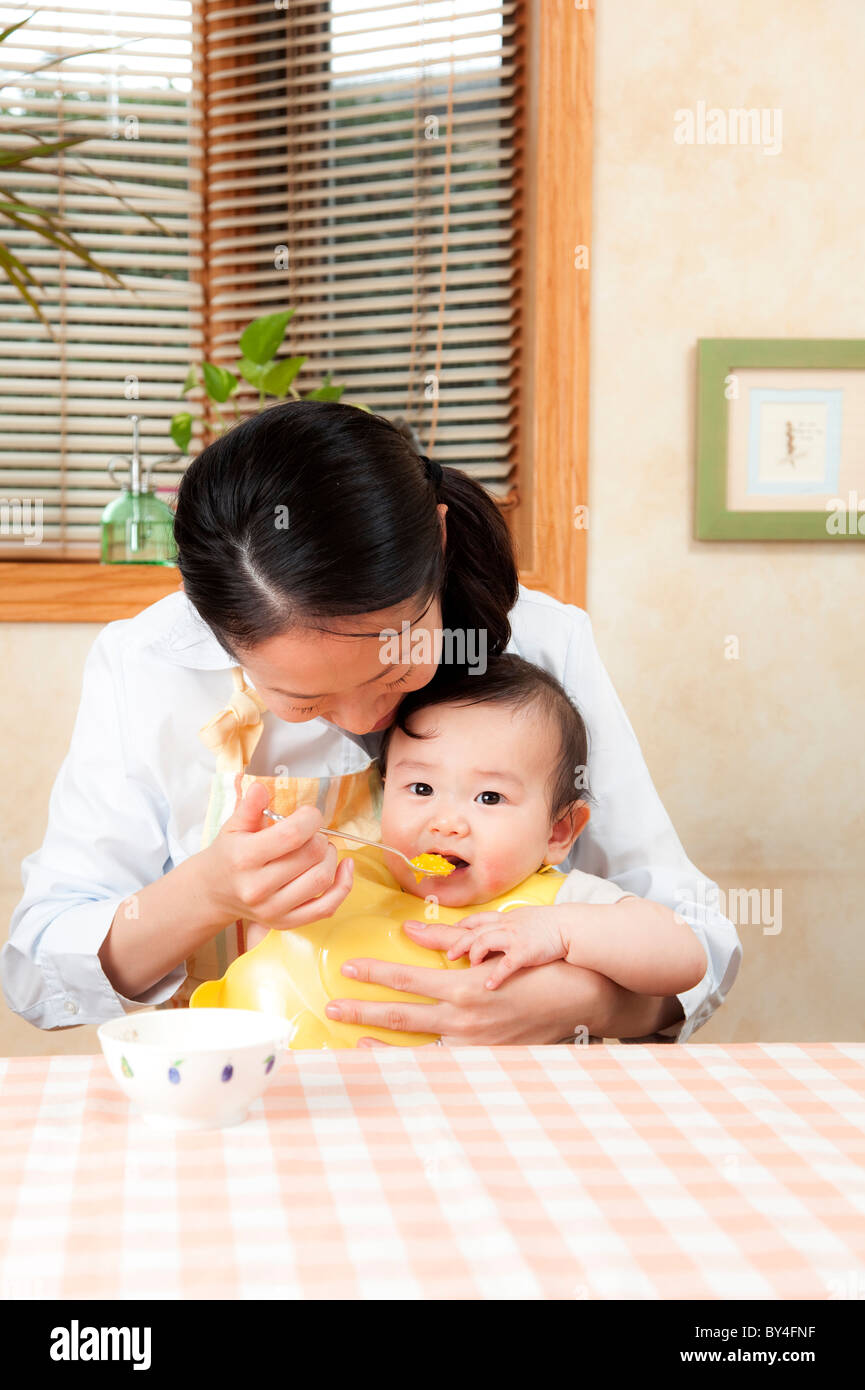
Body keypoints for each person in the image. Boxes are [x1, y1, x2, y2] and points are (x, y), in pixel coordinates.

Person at [1, 400, 741, 1045]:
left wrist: (577, 1004)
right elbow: (37, 978)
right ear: (217, 633)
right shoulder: (149, 667)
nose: (367, 719)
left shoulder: (542, 644)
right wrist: (206, 895)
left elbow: (695, 934)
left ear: (439, 544)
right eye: (303, 701)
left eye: (393, 670)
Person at [229, 653, 707, 1047]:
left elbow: (684, 957)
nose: (447, 822)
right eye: (420, 788)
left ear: (558, 832)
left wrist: (562, 933)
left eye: (489, 798)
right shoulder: (344, 873)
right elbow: (266, 951)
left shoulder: (558, 905)